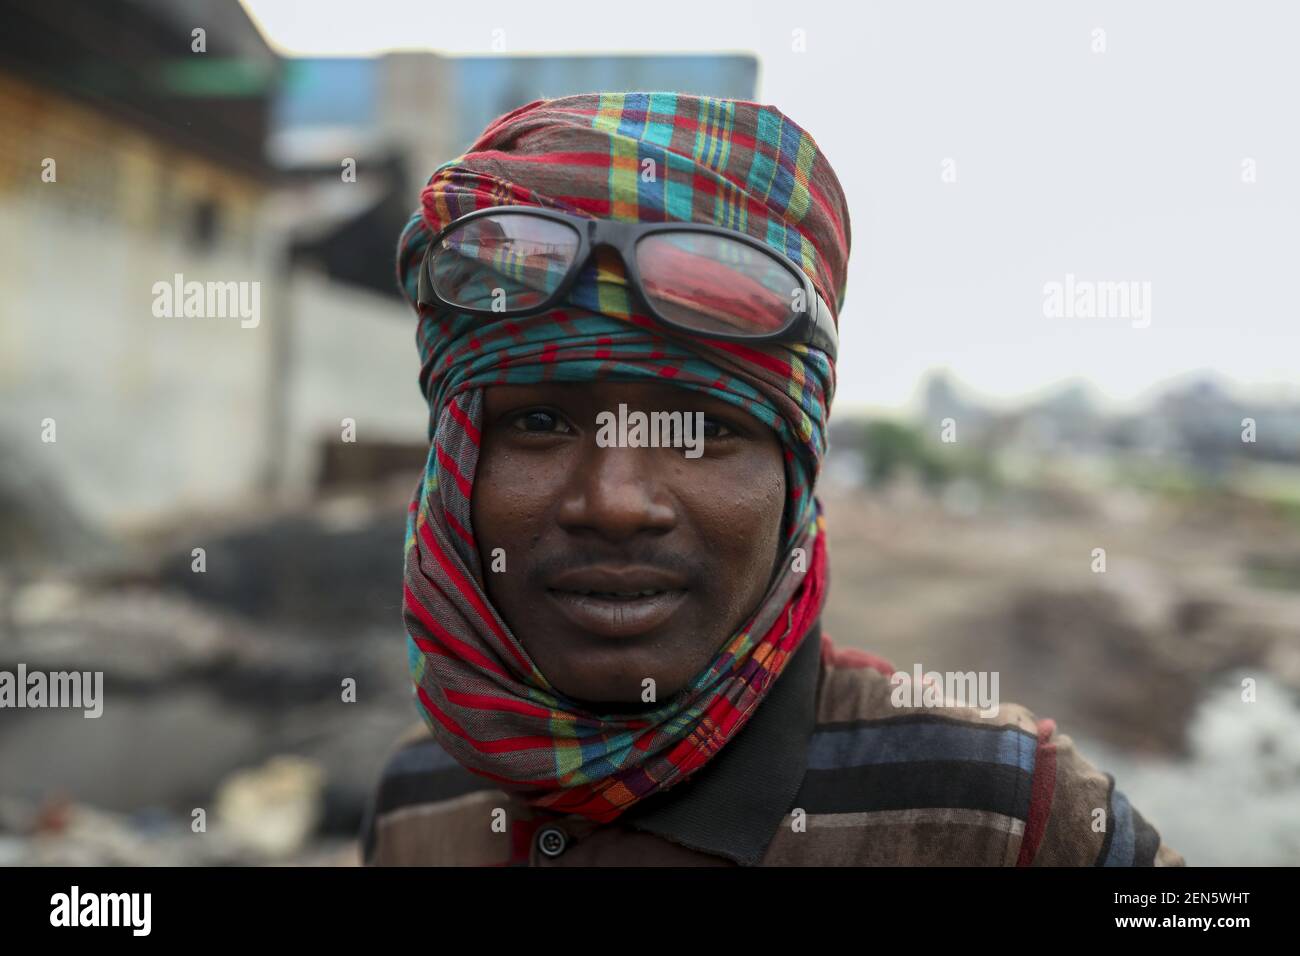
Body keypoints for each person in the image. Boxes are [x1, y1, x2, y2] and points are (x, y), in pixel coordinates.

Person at [361, 91, 1184, 867]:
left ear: (795, 476)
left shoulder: (1009, 814)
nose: (613, 503)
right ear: (457, 461)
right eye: (540, 423)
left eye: (704, 429)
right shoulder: (418, 797)